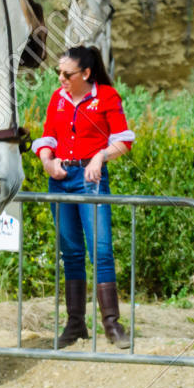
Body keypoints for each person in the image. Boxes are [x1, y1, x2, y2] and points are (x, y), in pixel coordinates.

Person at [31, 46, 135, 349]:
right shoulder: (57, 99)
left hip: (91, 183)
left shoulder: (107, 97)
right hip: (60, 181)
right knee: (71, 253)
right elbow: (48, 136)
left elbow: (123, 140)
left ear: (85, 74)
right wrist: (47, 160)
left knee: (101, 250)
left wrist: (99, 157)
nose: (61, 78)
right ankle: (75, 324)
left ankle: (112, 325)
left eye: (67, 74)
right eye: (58, 73)